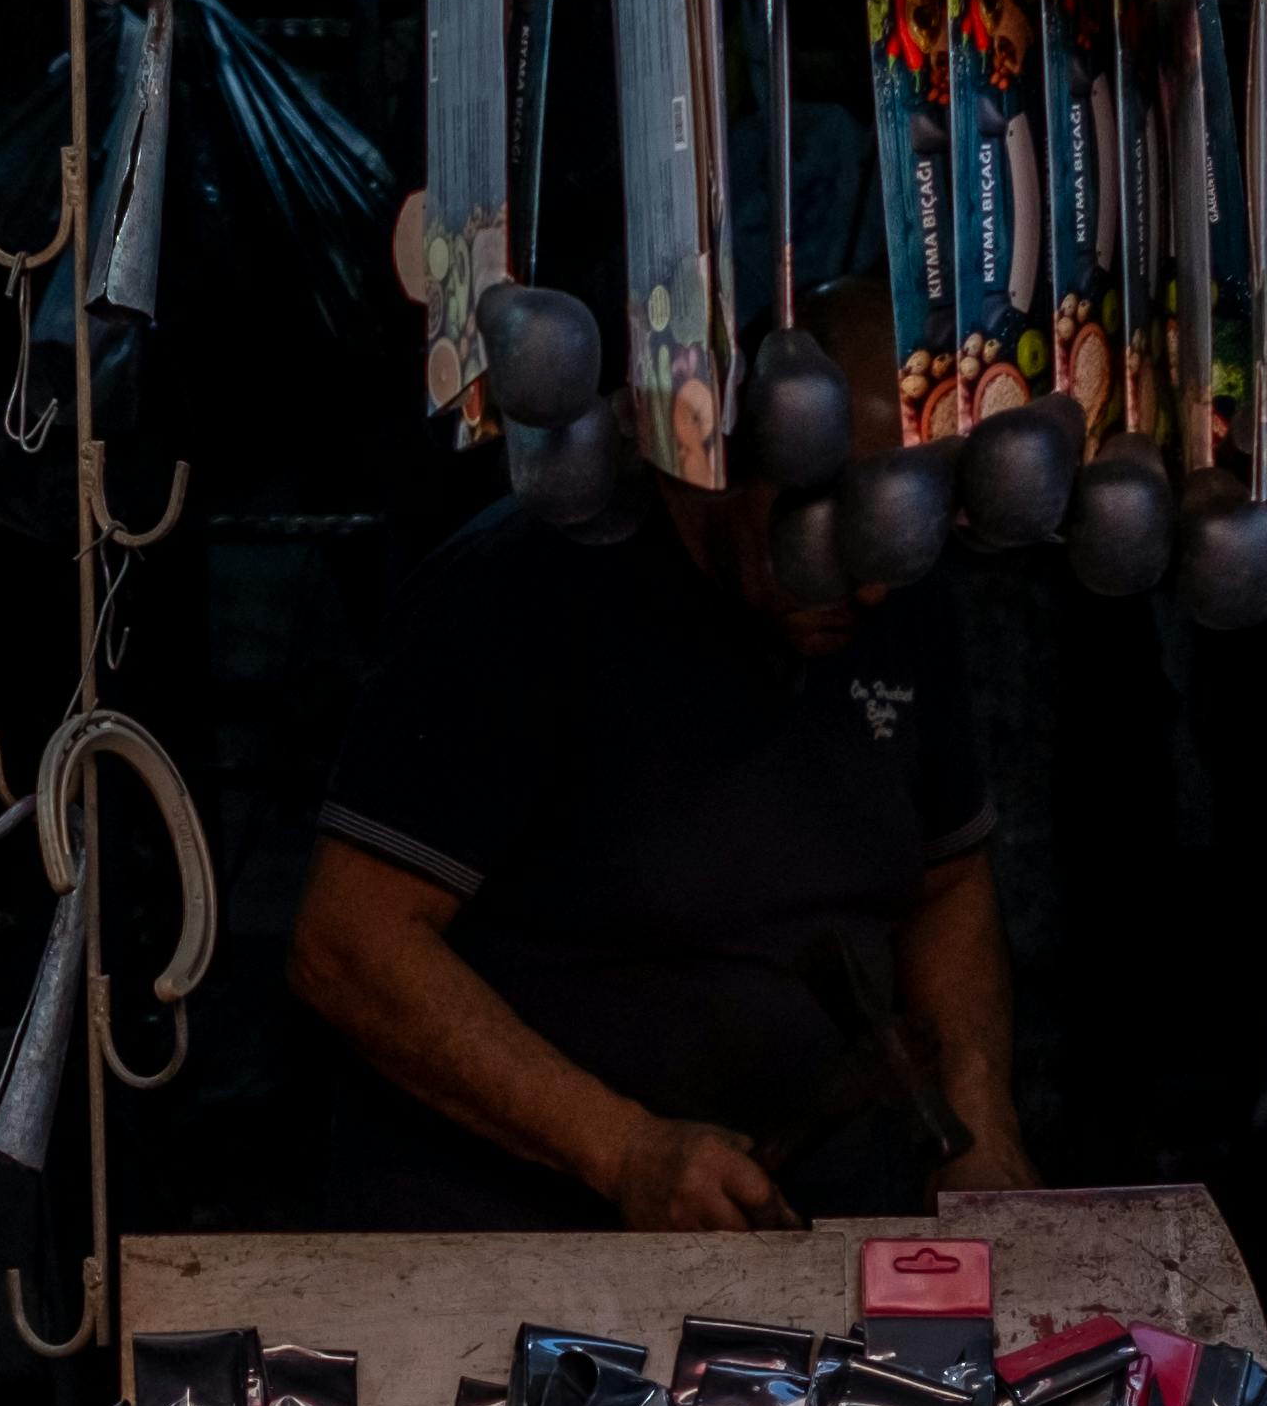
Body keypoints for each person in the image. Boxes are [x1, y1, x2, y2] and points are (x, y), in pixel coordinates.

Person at [288, 459, 1032, 1230]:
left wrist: (979, 1123)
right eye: (831, 549)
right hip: (509, 1247)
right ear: (710, 472)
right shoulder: (517, 585)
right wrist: (623, 1149)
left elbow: (948, 886)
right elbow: (350, 942)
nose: (870, 593)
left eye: (884, 559)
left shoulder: (896, 596)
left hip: (815, 1233)